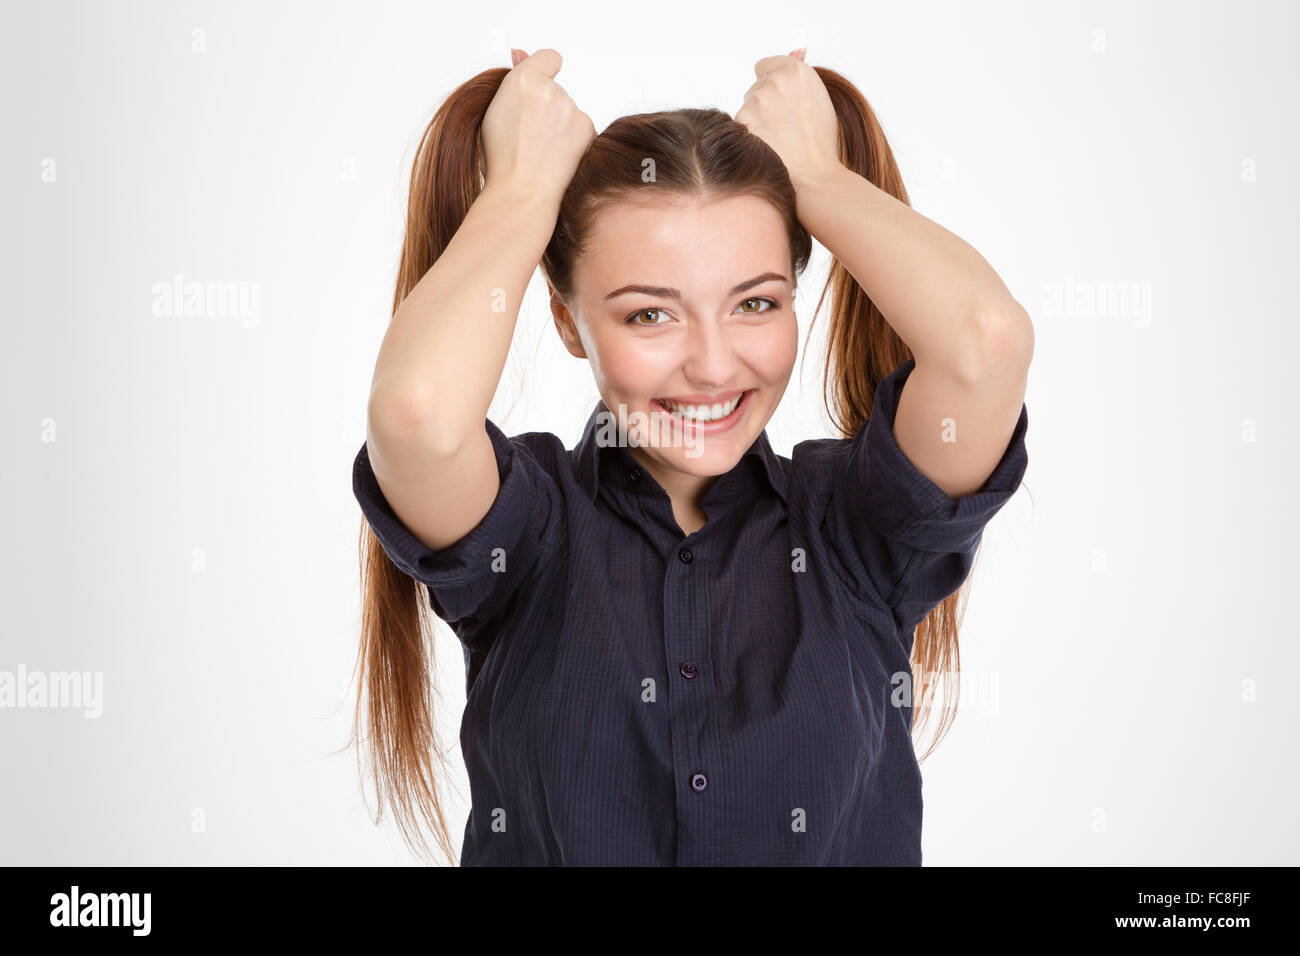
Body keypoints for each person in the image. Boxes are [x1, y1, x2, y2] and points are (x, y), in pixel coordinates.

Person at [349, 47, 1032, 865]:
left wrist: (815, 175)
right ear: (569, 322)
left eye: (755, 302)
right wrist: (522, 193)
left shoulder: (858, 529)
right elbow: (416, 415)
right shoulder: (524, 537)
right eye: (649, 316)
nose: (713, 364)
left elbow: (984, 344)